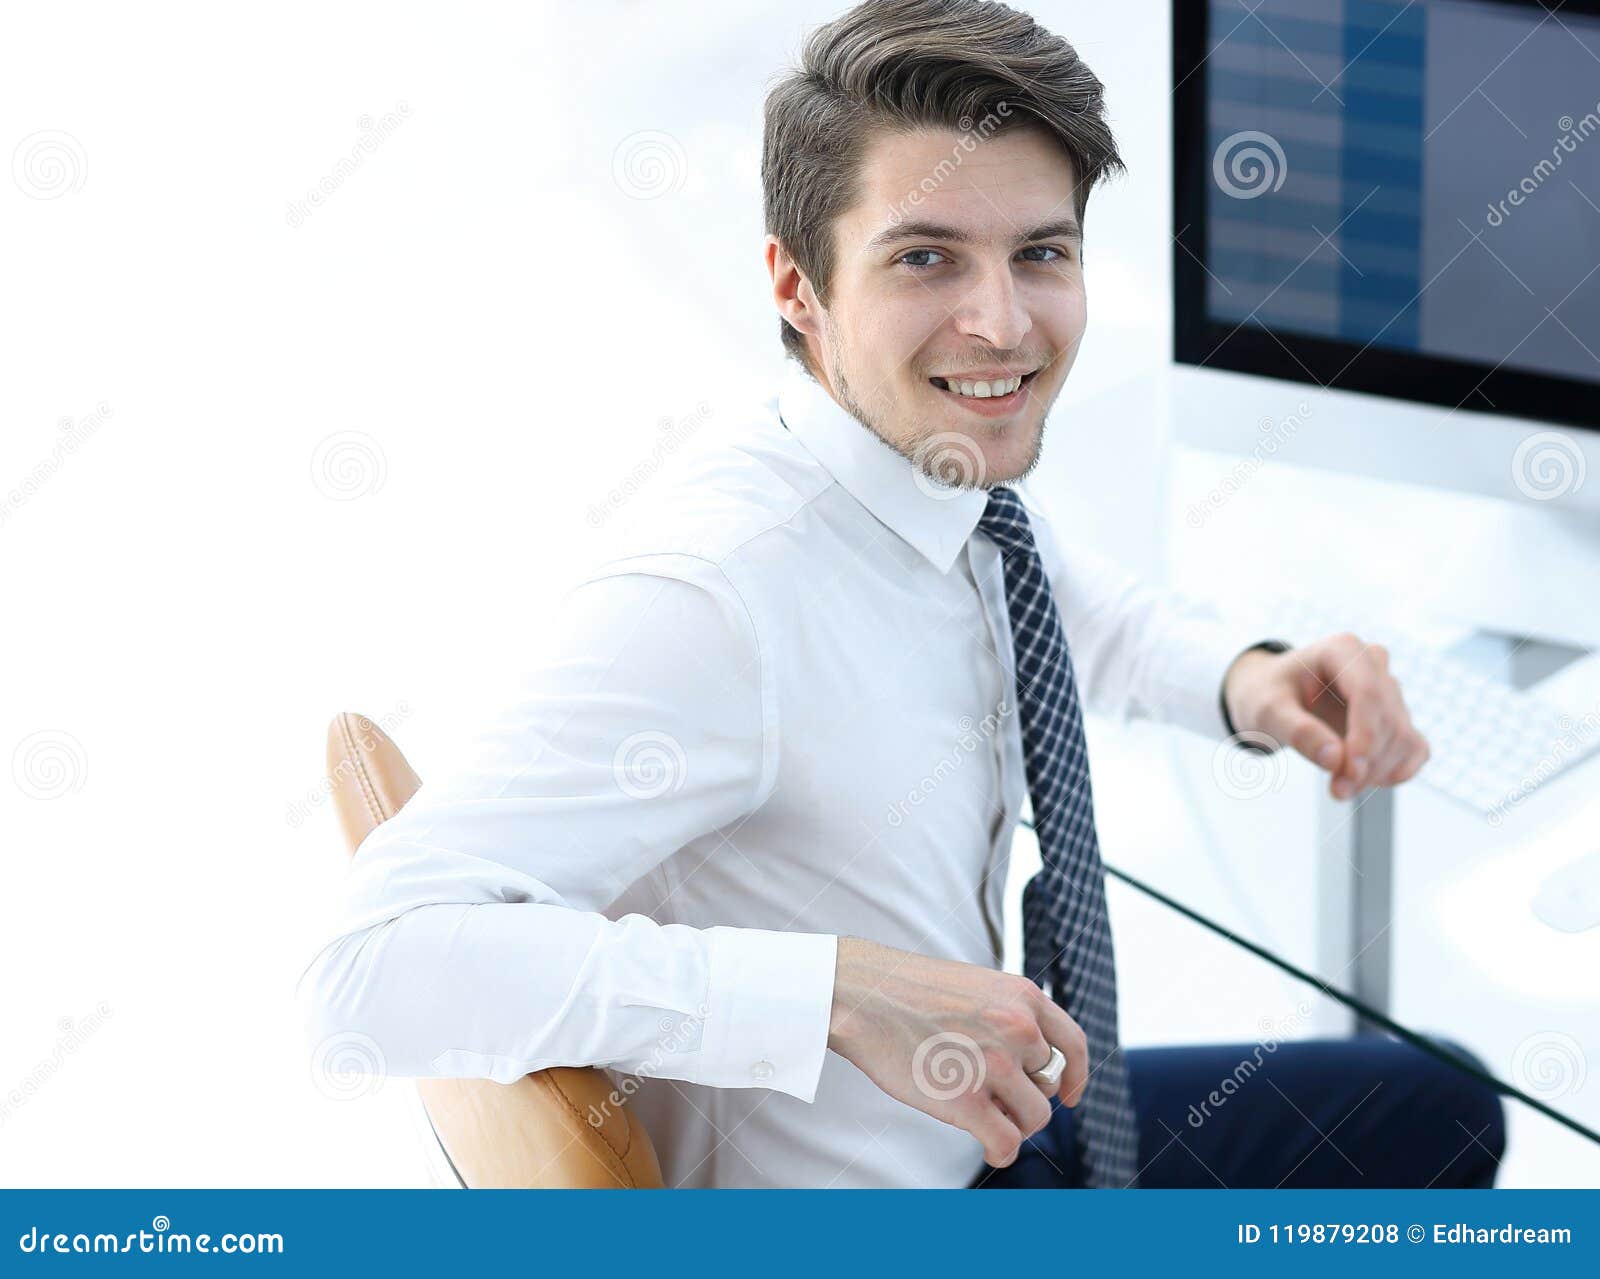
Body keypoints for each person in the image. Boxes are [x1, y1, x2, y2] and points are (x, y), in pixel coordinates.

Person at [297, 0, 1504, 1188]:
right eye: (925, 258)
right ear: (795, 285)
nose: (1001, 323)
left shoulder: (923, 477)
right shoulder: (710, 601)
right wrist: (829, 991)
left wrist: (1246, 679)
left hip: (1001, 1118)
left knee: (1442, 1105)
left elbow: (1058, 606)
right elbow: (365, 973)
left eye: (1040, 253)